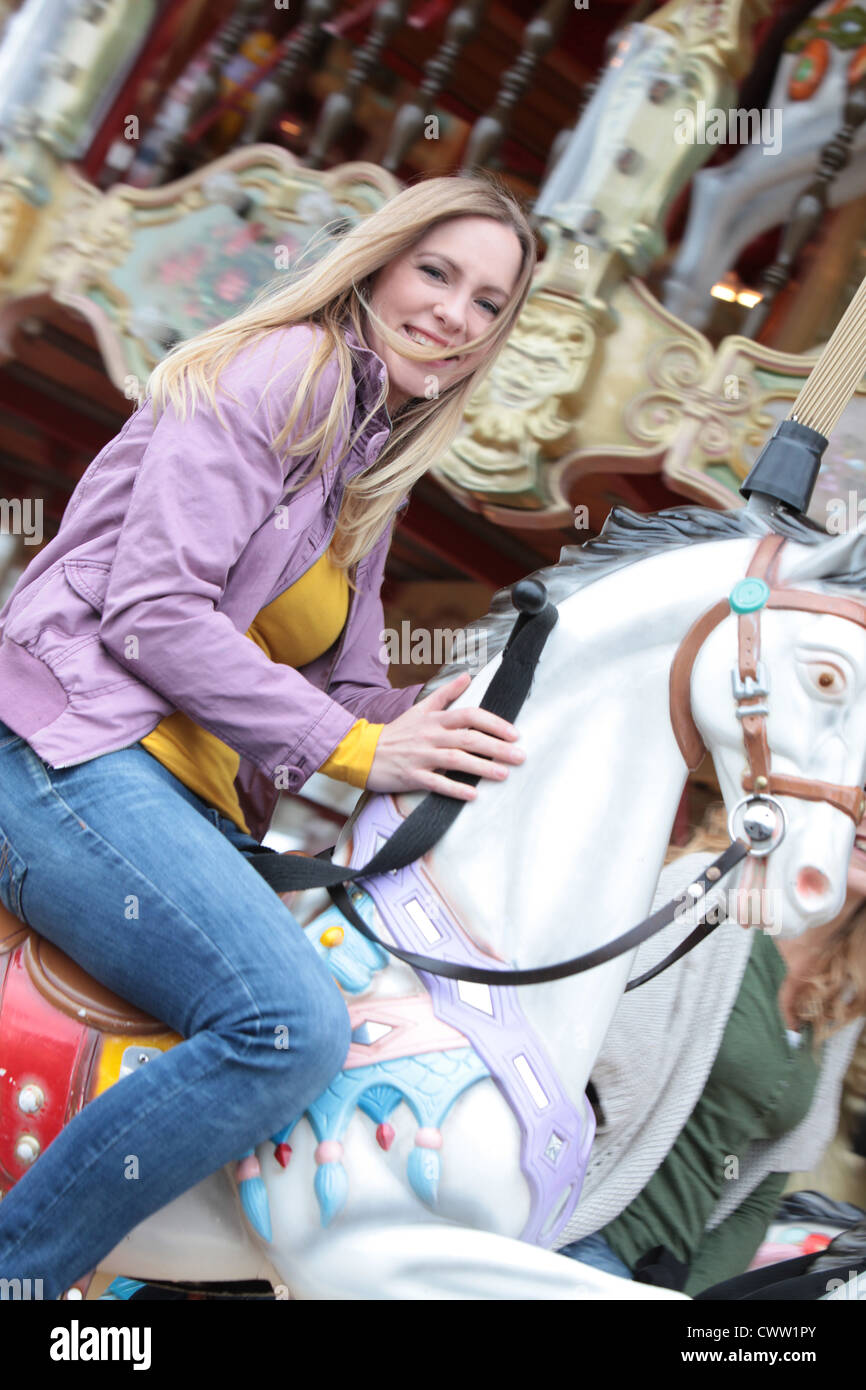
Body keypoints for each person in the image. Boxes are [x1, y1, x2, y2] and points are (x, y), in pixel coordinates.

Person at [0, 173, 537, 1298]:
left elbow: (344, 691)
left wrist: (460, 718)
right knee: (285, 1022)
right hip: (67, 745)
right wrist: (357, 752)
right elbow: (153, 612)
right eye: (435, 273)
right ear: (378, 263)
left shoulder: (367, 464)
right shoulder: (279, 374)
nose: (453, 313)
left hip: (171, 791)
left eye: (487, 303)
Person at [558, 805, 866, 1296]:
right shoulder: (704, 895)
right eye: (861, 794)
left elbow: (758, 1185)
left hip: (670, 1275)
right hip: (579, 1233)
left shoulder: (845, 996)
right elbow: (584, 1075)